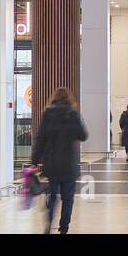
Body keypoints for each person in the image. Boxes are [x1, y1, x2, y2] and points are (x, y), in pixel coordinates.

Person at [32, 87, 89, 234]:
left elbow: (40, 139)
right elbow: (83, 135)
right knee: (68, 199)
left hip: (51, 164)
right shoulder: (73, 114)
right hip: (69, 165)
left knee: (52, 196)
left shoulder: (47, 115)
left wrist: (35, 160)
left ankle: (49, 222)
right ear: (68, 99)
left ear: (54, 98)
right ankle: (64, 229)